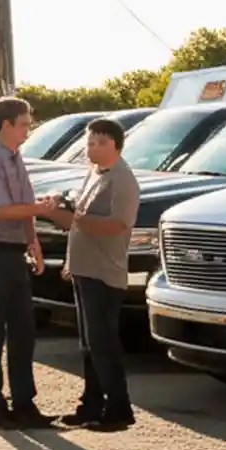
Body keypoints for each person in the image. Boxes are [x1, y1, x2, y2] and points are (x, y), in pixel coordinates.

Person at [0, 96, 57, 429]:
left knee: (23, 331)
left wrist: (33, 241)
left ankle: (24, 403)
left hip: (13, 253)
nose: (27, 131)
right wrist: (42, 211)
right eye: (23, 125)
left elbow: (24, 202)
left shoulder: (16, 158)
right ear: (6, 125)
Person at [42, 118, 141, 431]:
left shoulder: (123, 180)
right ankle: (91, 404)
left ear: (116, 145)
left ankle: (119, 409)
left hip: (104, 272)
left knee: (104, 343)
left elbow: (115, 225)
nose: (93, 148)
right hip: (85, 269)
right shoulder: (93, 174)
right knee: (89, 343)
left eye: (101, 142)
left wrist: (75, 219)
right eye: (90, 142)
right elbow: (77, 221)